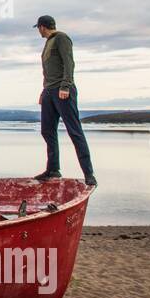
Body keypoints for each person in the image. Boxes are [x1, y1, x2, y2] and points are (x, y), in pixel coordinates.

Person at [33, 14, 96, 186]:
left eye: (38, 28)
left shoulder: (61, 38)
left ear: (42, 27)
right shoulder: (49, 42)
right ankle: (53, 169)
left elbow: (69, 63)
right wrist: (44, 91)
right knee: (47, 130)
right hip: (49, 91)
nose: (39, 31)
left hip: (62, 90)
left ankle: (89, 173)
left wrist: (65, 86)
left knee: (74, 131)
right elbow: (48, 71)